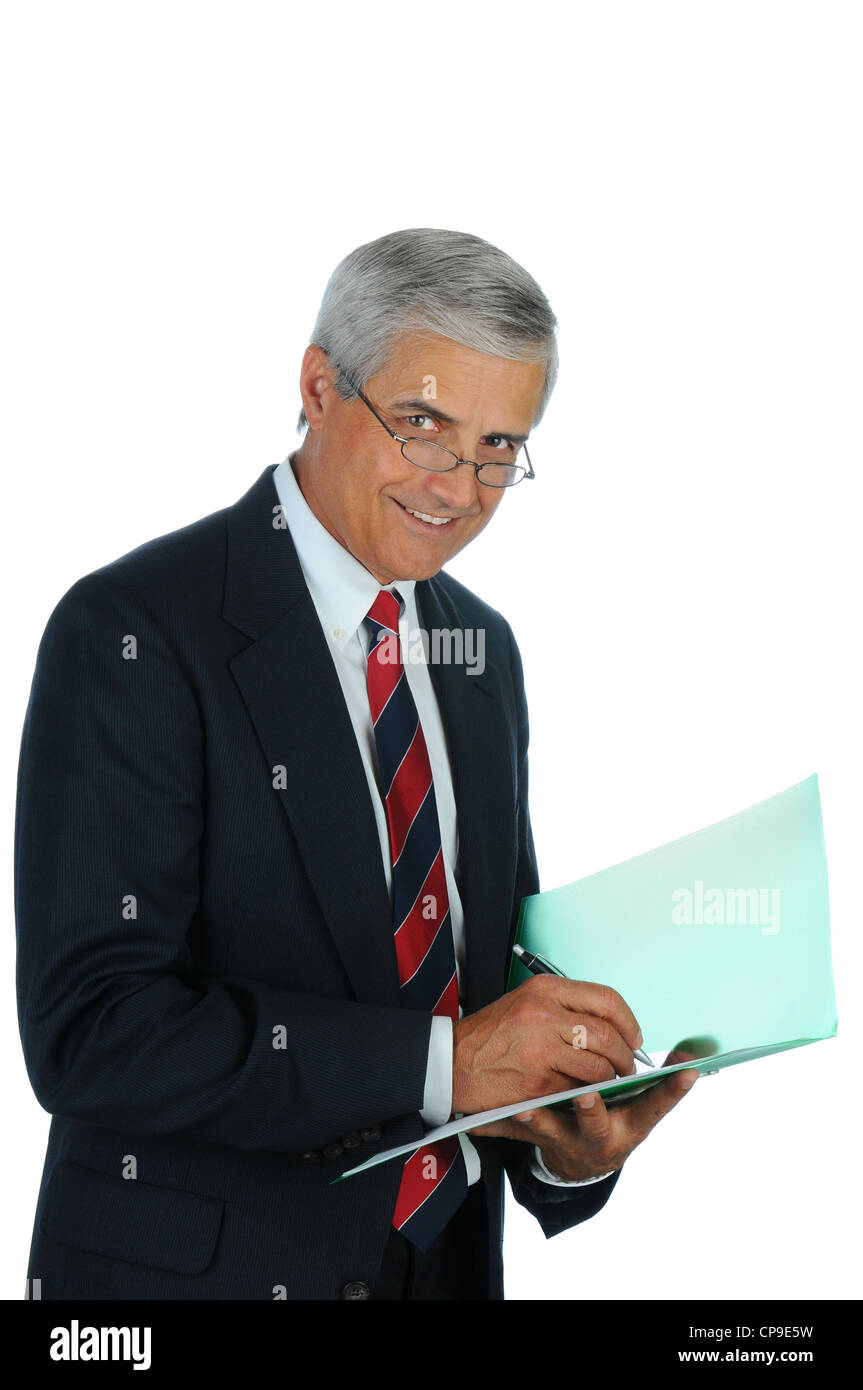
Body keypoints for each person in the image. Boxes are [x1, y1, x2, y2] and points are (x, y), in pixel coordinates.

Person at [15, 228, 698, 1300]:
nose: (459, 487)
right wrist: (443, 1065)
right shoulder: (135, 630)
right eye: (423, 426)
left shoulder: (479, 654)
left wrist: (564, 1146)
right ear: (319, 386)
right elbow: (95, 1034)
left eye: (496, 448)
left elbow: (483, 988)